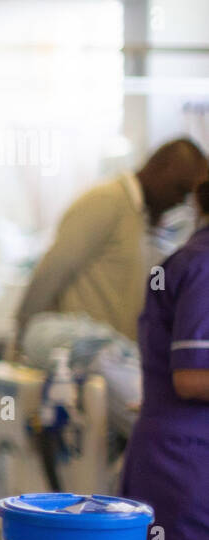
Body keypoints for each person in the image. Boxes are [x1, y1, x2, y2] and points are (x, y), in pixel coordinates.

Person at [13, 139, 209, 438]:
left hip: (120, 367)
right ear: (161, 168)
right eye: (180, 189)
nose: (180, 201)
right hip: (91, 361)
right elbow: (53, 270)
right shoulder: (106, 201)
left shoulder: (144, 219)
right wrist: (24, 334)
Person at [122, 179, 209, 540]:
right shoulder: (203, 266)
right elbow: (193, 377)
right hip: (188, 483)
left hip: (180, 475)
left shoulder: (190, 260)